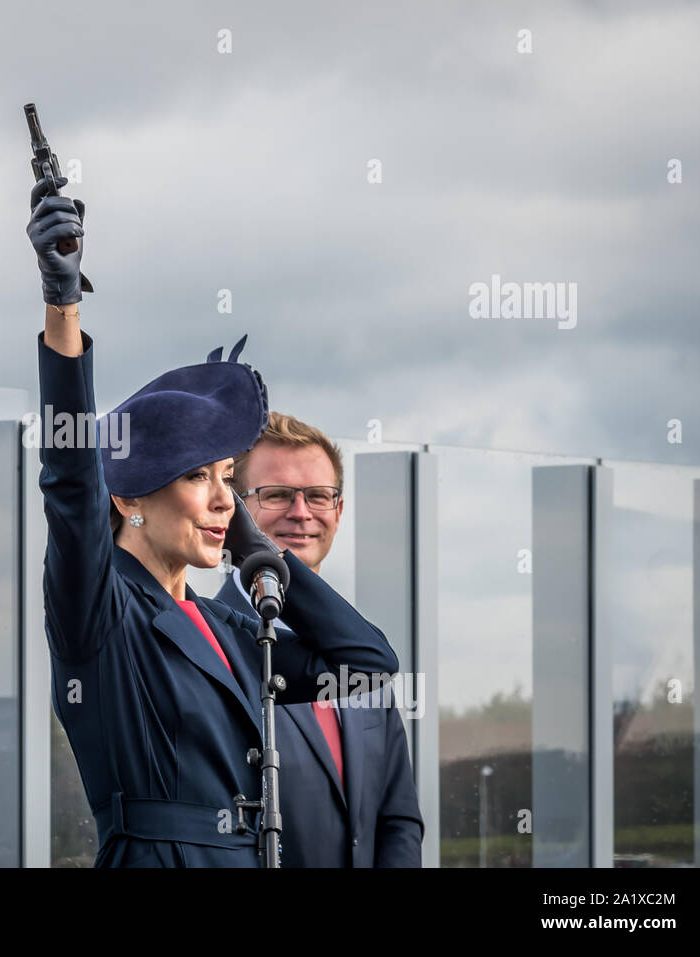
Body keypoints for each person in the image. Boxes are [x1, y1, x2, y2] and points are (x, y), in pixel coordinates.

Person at [27, 170, 400, 867]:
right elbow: (70, 481)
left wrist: (262, 555)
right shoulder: (101, 612)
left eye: (227, 477)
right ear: (128, 497)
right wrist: (63, 307)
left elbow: (368, 662)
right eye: (197, 477)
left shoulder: (232, 629)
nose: (224, 498)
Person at [214, 413, 423, 866]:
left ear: (340, 510)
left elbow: (398, 819)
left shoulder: (358, 649)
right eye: (277, 495)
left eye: (319, 496)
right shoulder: (212, 643)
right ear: (233, 510)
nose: (302, 512)